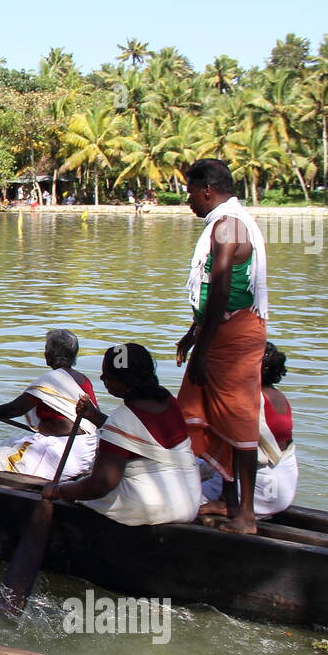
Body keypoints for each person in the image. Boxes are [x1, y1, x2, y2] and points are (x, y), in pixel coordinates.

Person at [176, 158, 269, 534]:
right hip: (223, 331)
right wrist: (192, 332)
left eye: (190, 194)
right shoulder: (229, 221)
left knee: (240, 421)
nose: (189, 203)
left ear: (207, 190)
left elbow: (220, 292)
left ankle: (245, 516)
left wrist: (202, 346)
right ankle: (228, 502)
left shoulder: (227, 227)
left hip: (233, 337)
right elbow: (215, 297)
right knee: (214, 417)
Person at [42, 343, 201, 526]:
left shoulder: (121, 419)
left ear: (125, 382)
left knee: (81, 489)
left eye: (108, 376)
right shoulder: (167, 400)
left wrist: (57, 491)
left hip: (155, 508)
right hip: (189, 501)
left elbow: (100, 485)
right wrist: (93, 416)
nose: (102, 378)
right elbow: (134, 434)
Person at [0, 329, 99, 480]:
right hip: (86, 451)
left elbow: (15, 409)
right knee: (9, 445)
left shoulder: (50, 379)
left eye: (46, 349)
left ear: (49, 355)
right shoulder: (83, 379)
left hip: (64, 452)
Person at [200, 342, 297, 517]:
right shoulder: (277, 396)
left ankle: (225, 503)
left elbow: (236, 450)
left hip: (259, 492)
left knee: (179, 495)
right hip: (283, 488)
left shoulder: (247, 401)